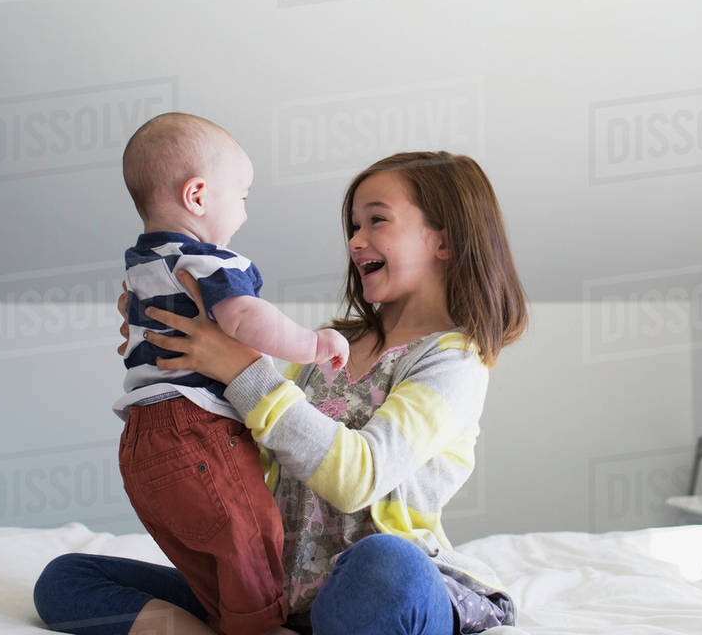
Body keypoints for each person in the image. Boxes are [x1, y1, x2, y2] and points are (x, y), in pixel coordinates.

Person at [34, 151, 528, 635]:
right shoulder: (328, 346)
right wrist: (178, 347)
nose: (356, 240)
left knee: (384, 564)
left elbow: (360, 477)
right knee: (70, 579)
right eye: (354, 226)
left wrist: (238, 365)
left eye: (376, 220)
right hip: (277, 592)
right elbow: (261, 436)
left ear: (445, 241)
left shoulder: (455, 360)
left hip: (371, 588)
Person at [90, 112, 349, 635]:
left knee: (213, 562)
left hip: (140, 439)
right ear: (198, 196)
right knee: (252, 536)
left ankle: (232, 622)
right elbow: (244, 317)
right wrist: (313, 343)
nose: (245, 213)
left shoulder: (141, 264)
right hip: (197, 430)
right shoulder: (210, 261)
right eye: (243, 197)